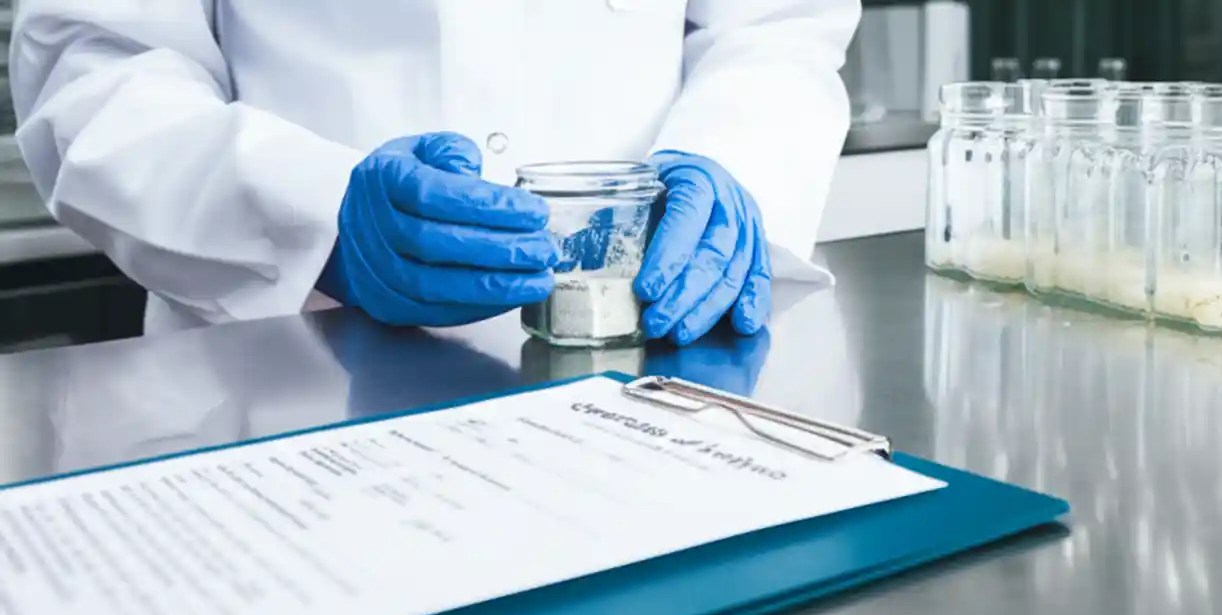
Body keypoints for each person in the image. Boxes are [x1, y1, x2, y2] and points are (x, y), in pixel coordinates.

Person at [10, 1, 860, 344]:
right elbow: (100, 61)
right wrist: (312, 217)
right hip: (287, 374)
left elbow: (773, 26)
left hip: (650, 361)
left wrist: (730, 158)